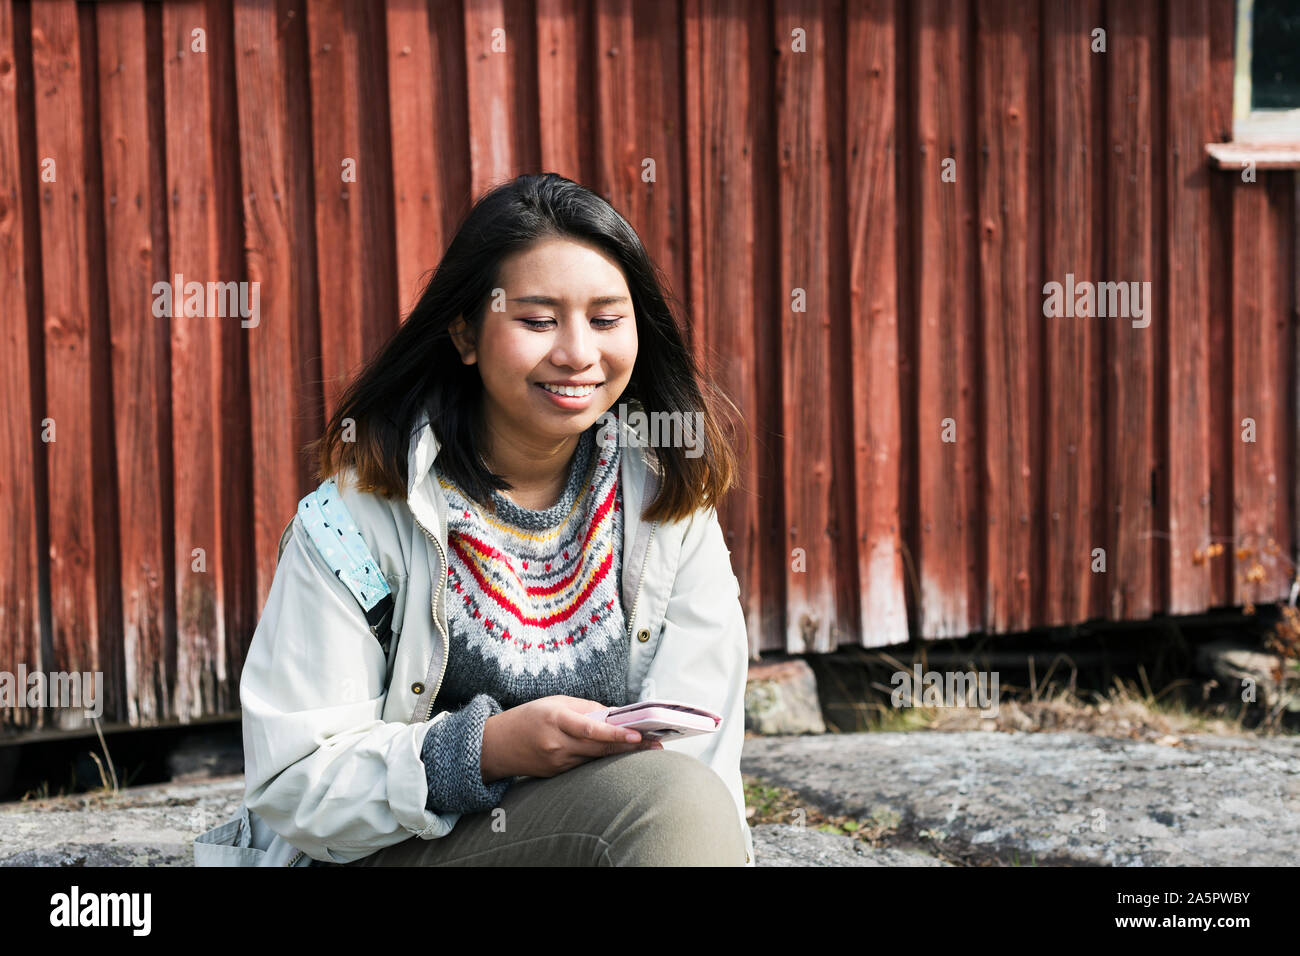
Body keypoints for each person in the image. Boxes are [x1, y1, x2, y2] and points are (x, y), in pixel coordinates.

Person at [215, 172, 753, 867]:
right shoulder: (357, 517)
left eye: (606, 318)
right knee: (670, 801)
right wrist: (486, 750)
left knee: (679, 797)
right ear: (465, 333)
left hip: (586, 840)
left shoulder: (666, 502)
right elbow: (296, 780)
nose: (578, 354)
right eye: (537, 320)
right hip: (395, 854)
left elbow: (698, 765)